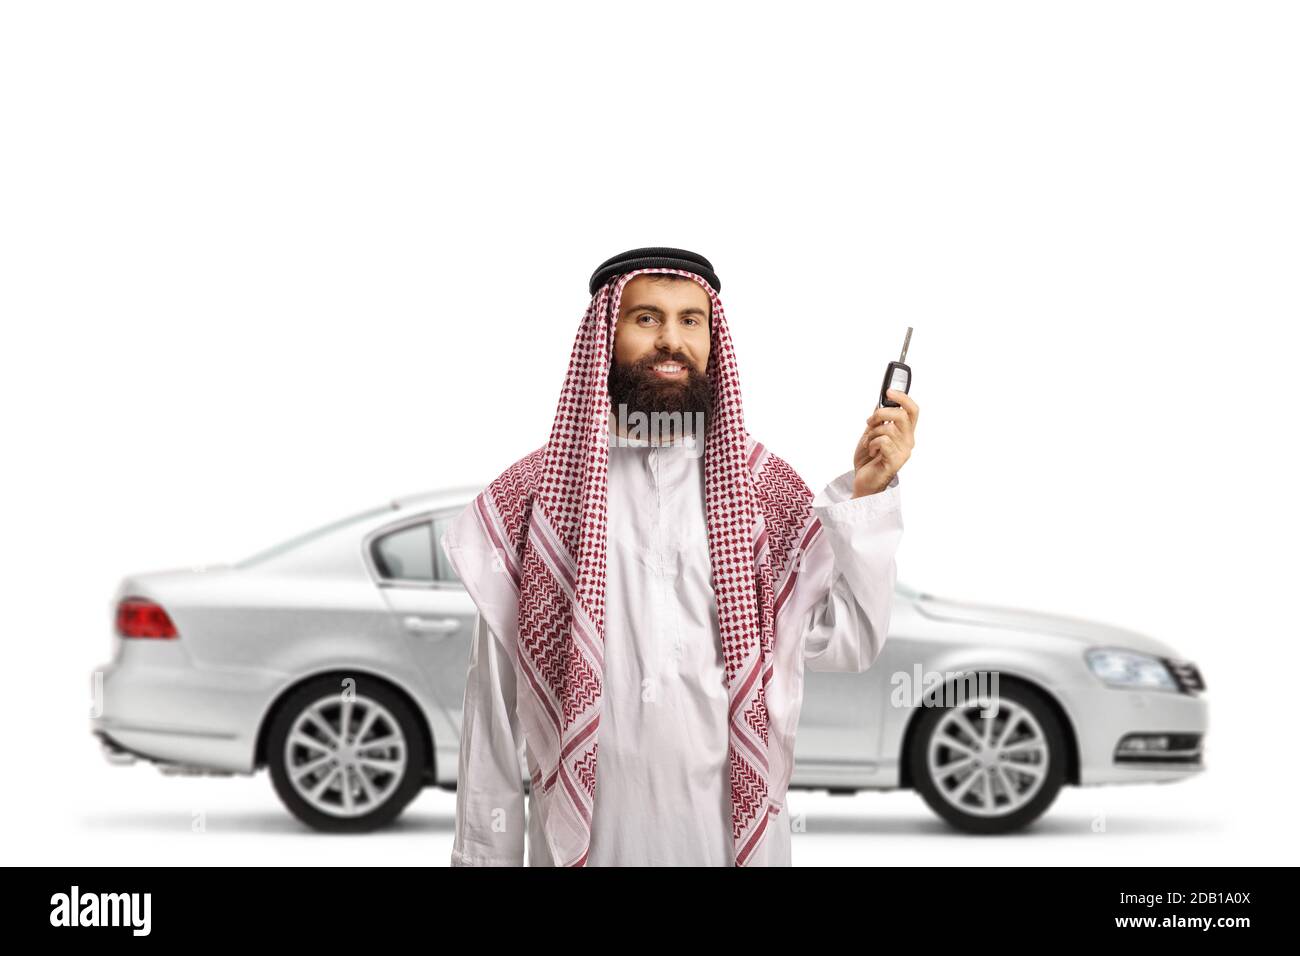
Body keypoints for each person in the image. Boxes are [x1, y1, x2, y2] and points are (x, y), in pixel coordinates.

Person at [440, 247, 918, 866]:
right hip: (588, 848)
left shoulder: (761, 492)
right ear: (603, 338)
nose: (672, 339)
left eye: (691, 320)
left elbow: (846, 642)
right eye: (647, 319)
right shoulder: (534, 500)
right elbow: (494, 726)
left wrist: (870, 492)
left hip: (731, 846)